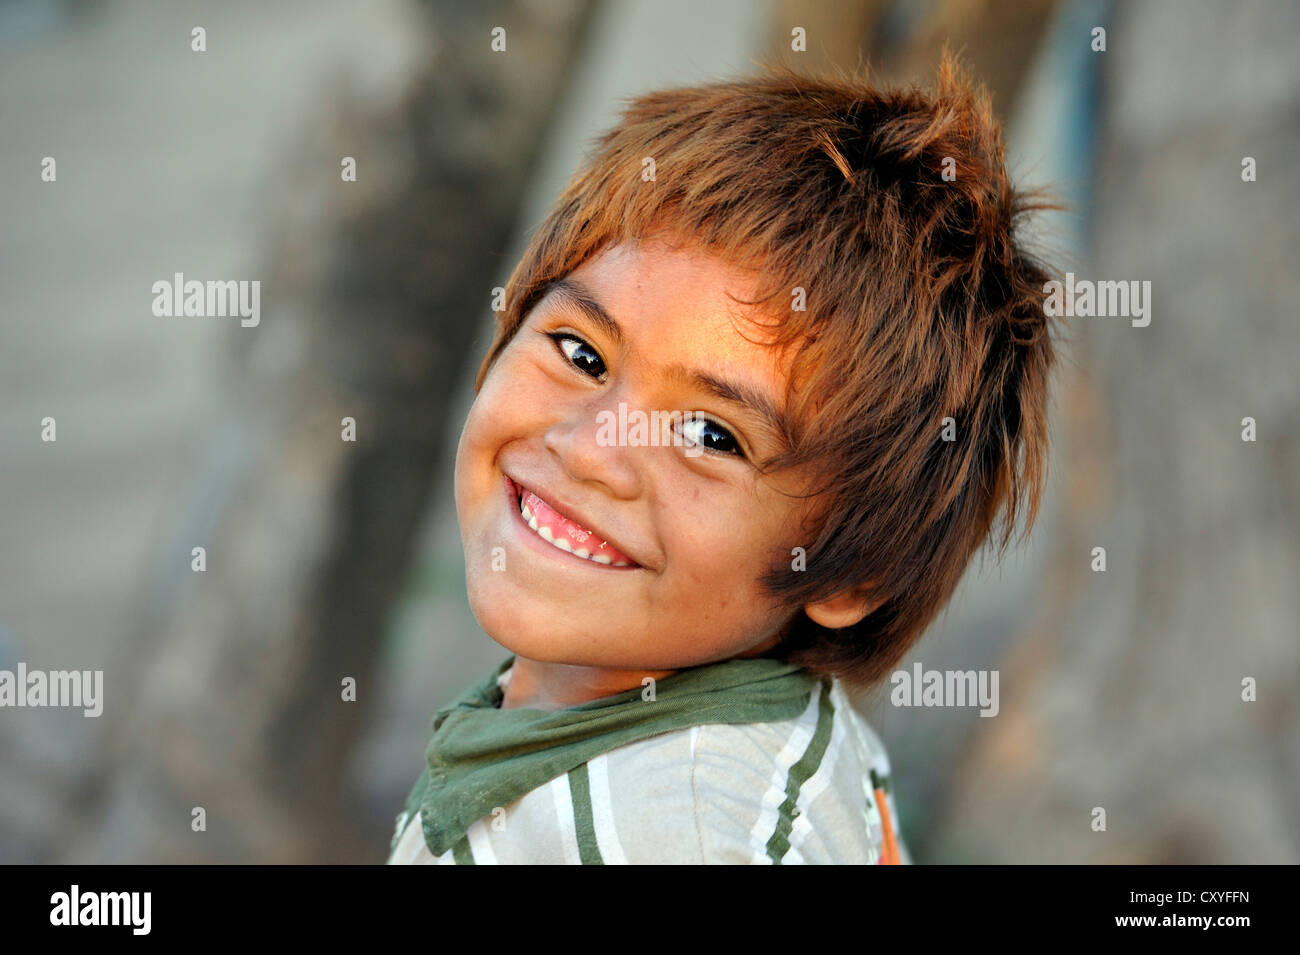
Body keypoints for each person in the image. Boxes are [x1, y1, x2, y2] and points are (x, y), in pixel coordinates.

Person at [388, 53, 1060, 864]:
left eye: (712, 436)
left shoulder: (683, 835)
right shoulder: (634, 724)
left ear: (852, 570)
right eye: (581, 353)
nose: (594, 447)